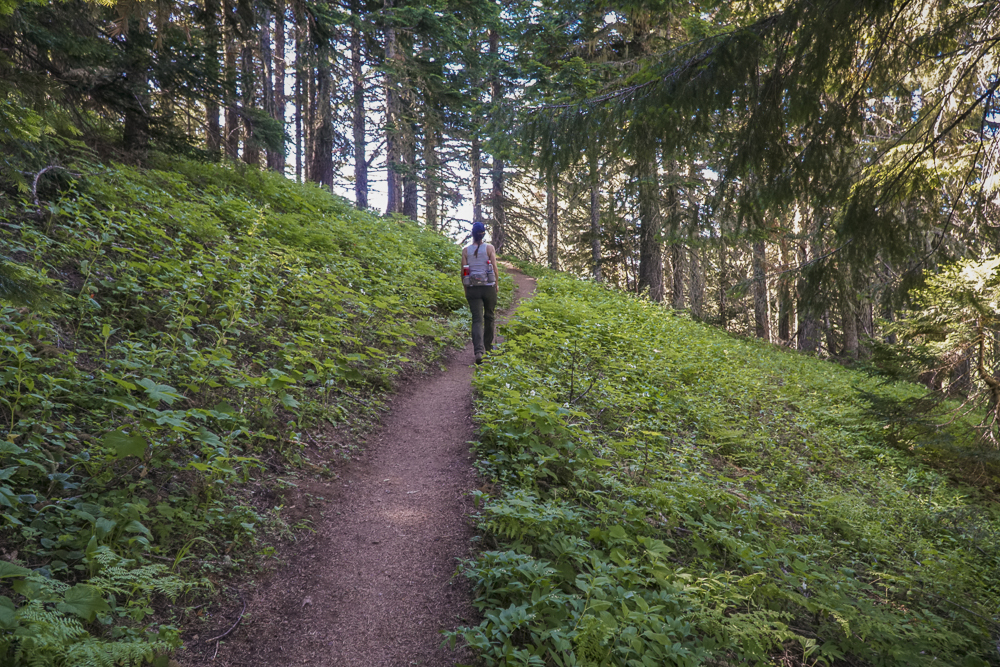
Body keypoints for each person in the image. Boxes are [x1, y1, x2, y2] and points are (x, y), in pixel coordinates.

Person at [462, 221, 498, 364]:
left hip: (472, 288)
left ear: (472, 234)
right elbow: (494, 268)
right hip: (488, 287)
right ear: (483, 234)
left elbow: (463, 272)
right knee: (489, 316)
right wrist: (496, 285)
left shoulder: (465, 251)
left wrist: (466, 289)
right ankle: (488, 348)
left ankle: (478, 351)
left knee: (477, 319)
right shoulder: (489, 248)